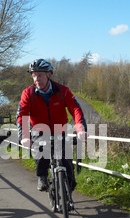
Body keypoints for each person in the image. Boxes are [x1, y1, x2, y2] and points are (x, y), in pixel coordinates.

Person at [16, 59, 87, 192]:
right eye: (34, 75)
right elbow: (22, 115)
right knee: (41, 151)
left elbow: (75, 110)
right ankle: (42, 176)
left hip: (60, 130)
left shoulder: (63, 91)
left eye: (40, 75)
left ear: (49, 74)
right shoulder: (28, 93)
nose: (36, 79)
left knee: (67, 162)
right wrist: (24, 136)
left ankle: (69, 186)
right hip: (39, 130)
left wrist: (81, 129)